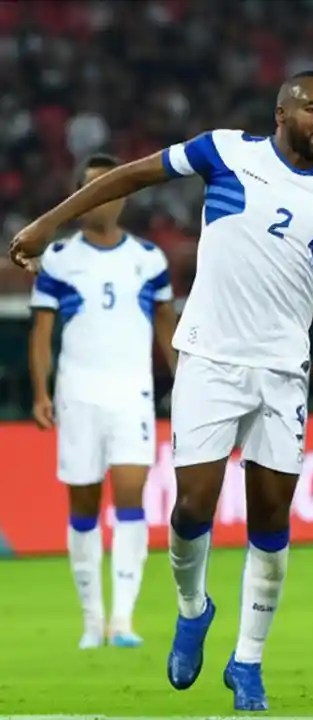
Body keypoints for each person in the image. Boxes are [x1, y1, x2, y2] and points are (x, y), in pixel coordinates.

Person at [10, 70, 313, 710]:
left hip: (283, 372)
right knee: (192, 508)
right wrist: (48, 224)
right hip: (208, 359)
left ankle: (249, 664)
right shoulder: (225, 152)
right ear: (281, 113)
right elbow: (129, 175)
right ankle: (192, 608)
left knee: (271, 520)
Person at [27, 153, 178, 650]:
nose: (102, 197)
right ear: (77, 196)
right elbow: (42, 331)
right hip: (78, 395)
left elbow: (165, 327)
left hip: (131, 394)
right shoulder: (59, 259)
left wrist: (186, 386)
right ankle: (91, 620)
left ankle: (122, 620)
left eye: (111, 188)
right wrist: (41, 392)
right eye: (92, 187)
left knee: (131, 497)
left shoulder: (149, 260)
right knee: (84, 504)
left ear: (124, 197)